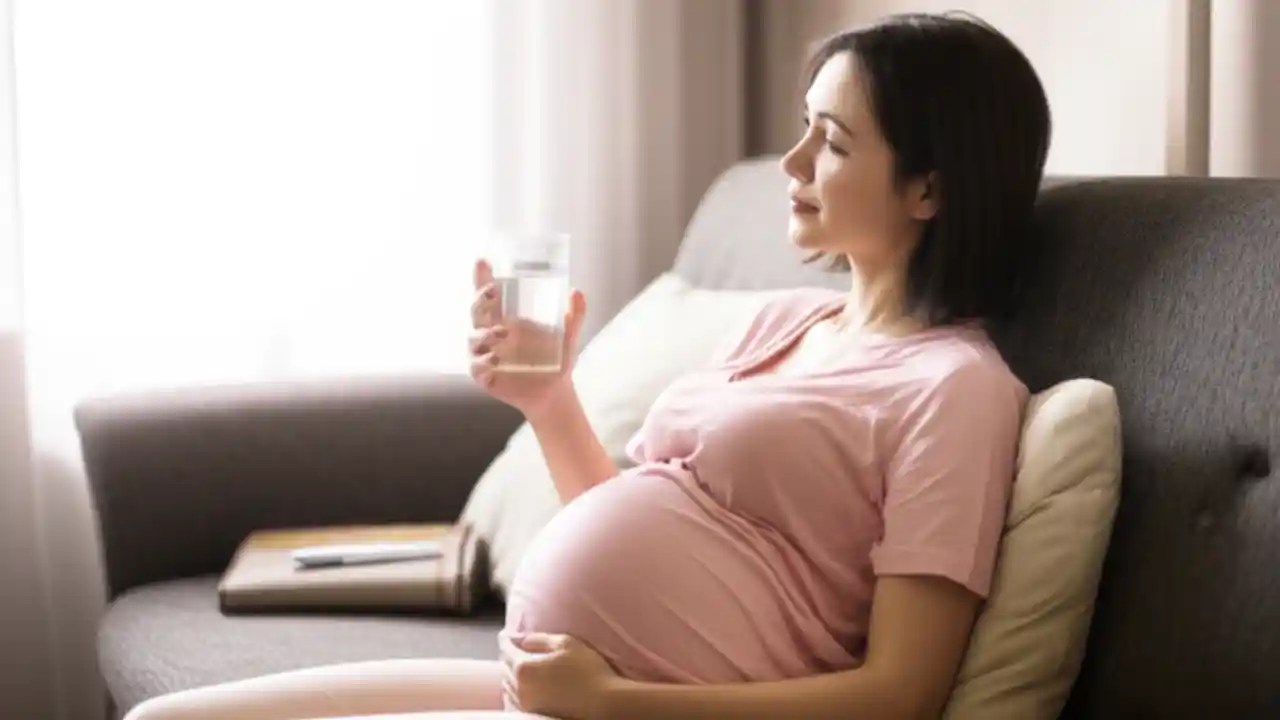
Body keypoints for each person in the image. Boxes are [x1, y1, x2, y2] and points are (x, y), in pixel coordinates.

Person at [125, 12, 1050, 720]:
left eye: (834, 143)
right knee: (167, 717)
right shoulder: (784, 322)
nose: (793, 161)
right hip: (549, 688)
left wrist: (615, 700)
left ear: (929, 187)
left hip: (628, 710)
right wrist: (547, 399)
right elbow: (627, 509)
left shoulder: (955, 391)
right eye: (804, 128)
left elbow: (900, 695)